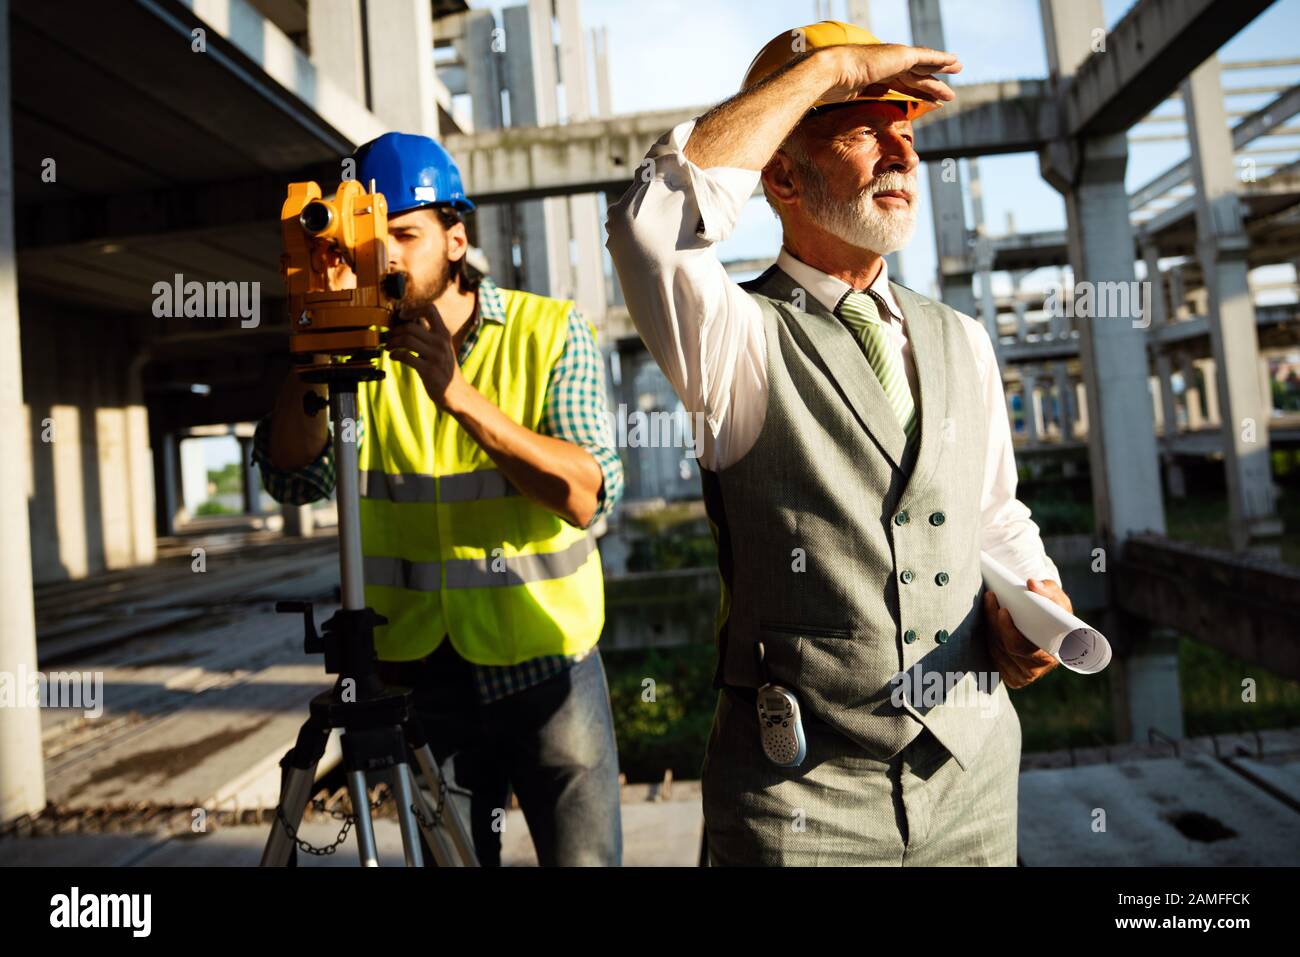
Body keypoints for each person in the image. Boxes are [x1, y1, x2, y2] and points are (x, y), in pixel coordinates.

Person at [605, 20, 1074, 865]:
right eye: (863, 129)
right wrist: (831, 70)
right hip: (799, 798)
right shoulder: (734, 336)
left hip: (972, 778)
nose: (903, 155)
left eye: (906, 132)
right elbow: (650, 228)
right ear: (780, 172)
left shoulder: (961, 336)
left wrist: (1033, 603)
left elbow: (992, 514)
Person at [254, 132, 625, 866]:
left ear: (456, 239)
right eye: (370, 236)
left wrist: (458, 396)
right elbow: (292, 478)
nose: (384, 255)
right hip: (419, 680)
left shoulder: (549, 332)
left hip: (547, 662)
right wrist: (311, 357)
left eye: (405, 233)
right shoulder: (351, 357)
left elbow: (587, 495)